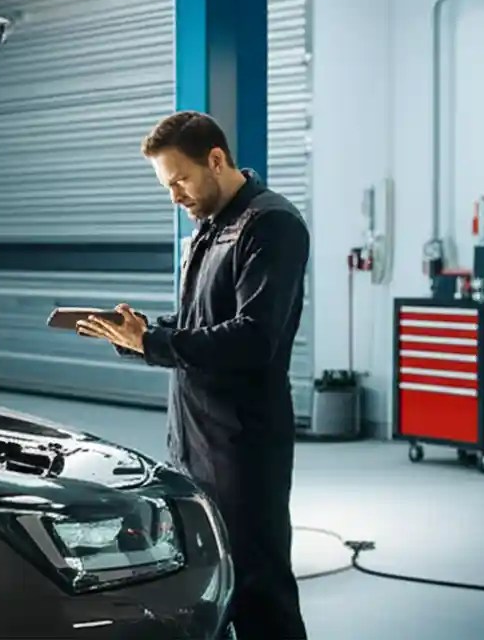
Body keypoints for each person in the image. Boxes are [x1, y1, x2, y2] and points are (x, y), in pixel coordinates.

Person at [77, 111, 310, 640]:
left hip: (242, 441)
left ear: (217, 159)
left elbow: (254, 338)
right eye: (167, 185)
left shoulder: (270, 224)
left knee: (259, 588)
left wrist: (156, 343)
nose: (174, 196)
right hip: (192, 434)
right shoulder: (209, 228)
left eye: (179, 180)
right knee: (211, 582)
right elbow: (200, 327)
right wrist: (136, 336)